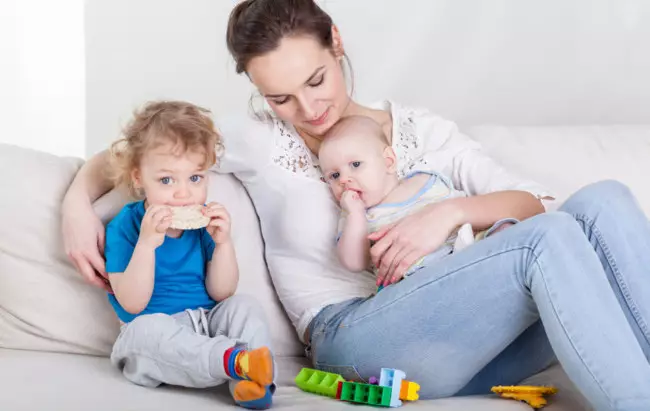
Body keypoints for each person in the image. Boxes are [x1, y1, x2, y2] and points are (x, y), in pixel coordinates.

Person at [62, 1, 650, 410]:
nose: (310, 109)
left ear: (336, 42)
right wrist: (76, 206)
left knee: (604, 200)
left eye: (317, 80)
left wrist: (444, 214)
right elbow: (139, 152)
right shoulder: (263, 140)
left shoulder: (422, 131)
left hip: (472, 341)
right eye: (281, 97)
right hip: (356, 336)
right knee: (546, 242)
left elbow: (538, 205)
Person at [102, 100, 274, 410]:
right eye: (167, 180)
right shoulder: (125, 227)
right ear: (140, 178)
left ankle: (253, 382)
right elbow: (132, 303)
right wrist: (146, 245)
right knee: (146, 332)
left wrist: (223, 245)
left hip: (206, 321)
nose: (183, 194)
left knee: (243, 305)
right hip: (153, 330)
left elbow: (222, 291)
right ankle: (234, 360)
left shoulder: (203, 224)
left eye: (195, 178)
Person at [319, 115, 515, 286]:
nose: (344, 180)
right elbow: (354, 262)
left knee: (504, 229)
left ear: (389, 161)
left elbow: (466, 209)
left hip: (469, 251)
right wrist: (355, 215)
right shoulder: (358, 218)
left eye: (355, 164)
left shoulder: (426, 180)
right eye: (334, 176)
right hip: (421, 280)